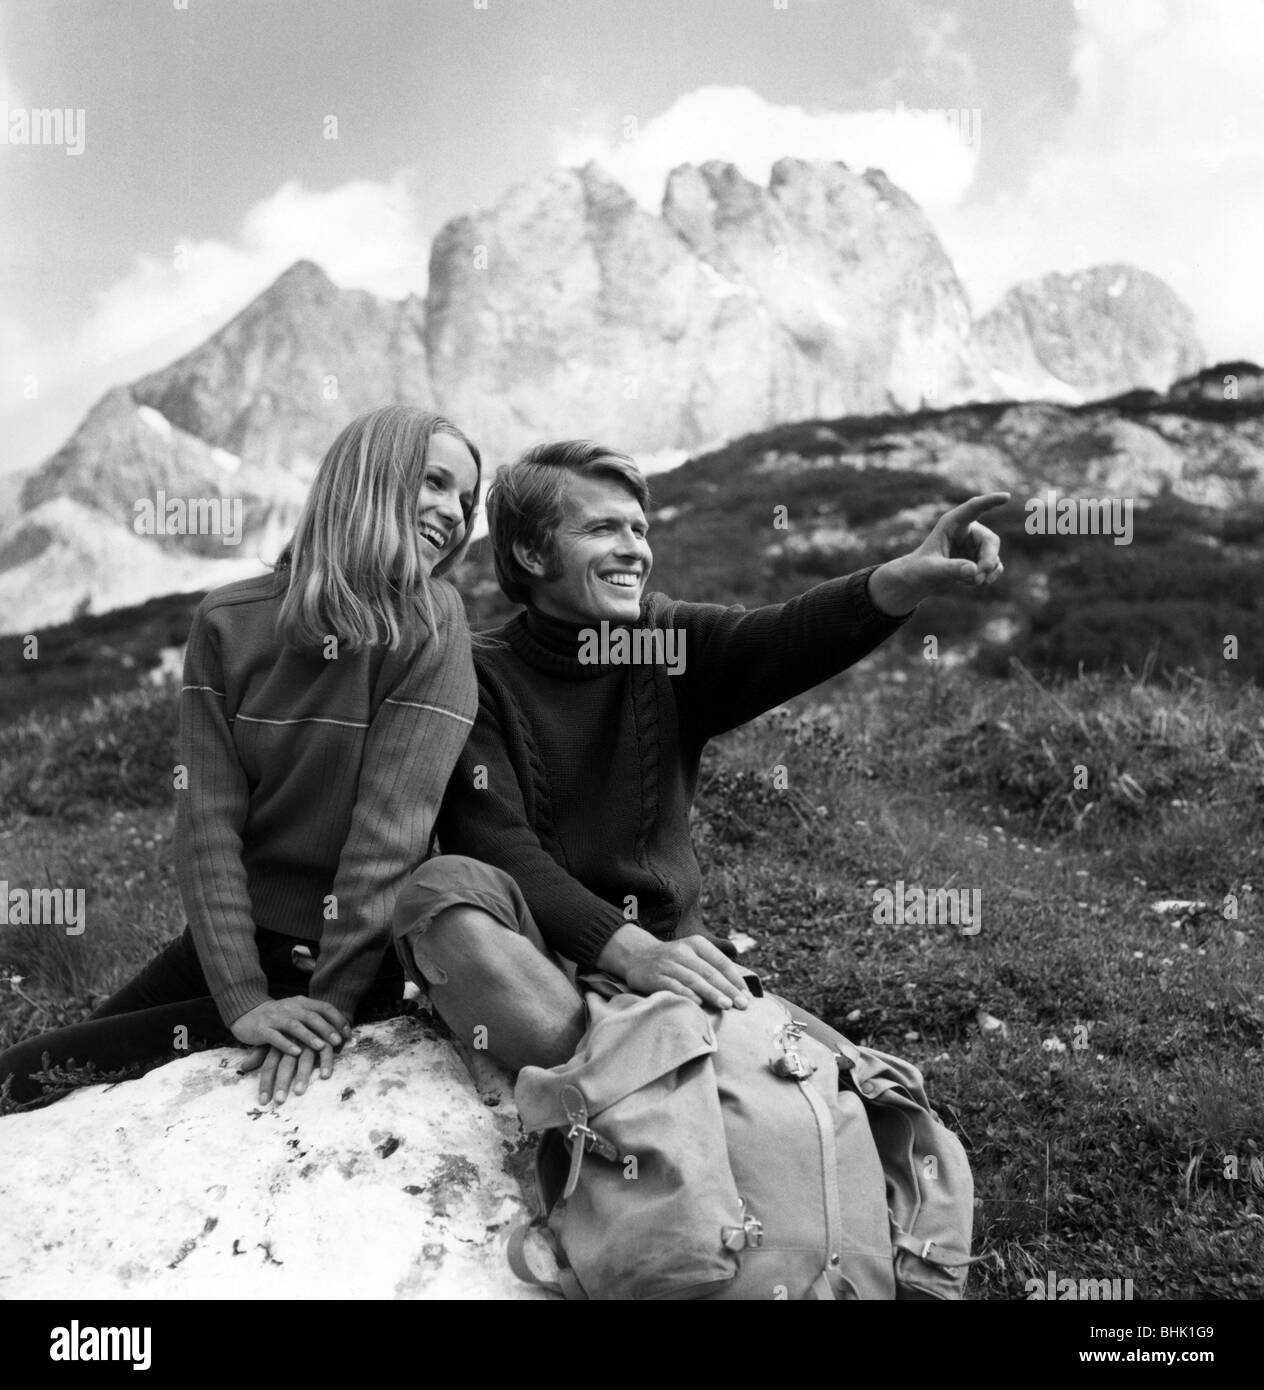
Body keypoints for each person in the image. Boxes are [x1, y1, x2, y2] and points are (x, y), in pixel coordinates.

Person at [393, 440, 1006, 1070]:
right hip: (542, 970)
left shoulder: (664, 641)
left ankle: (641, 1072)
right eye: (602, 528)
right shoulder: (477, 673)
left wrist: (904, 578)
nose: (634, 548)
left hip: (677, 964)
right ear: (530, 551)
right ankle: (625, 1075)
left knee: (870, 1096)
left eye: (639, 528)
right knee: (443, 894)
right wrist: (626, 949)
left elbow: (781, 637)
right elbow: (499, 845)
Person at [1, 406, 482, 1109]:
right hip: (224, 949)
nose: (455, 513)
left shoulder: (434, 625)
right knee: (28, 1084)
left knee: (41, 1081)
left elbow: (392, 831)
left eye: (466, 500)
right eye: (435, 484)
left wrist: (331, 1003)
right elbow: (206, 823)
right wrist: (240, 996)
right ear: (369, 477)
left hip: (334, 963)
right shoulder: (227, 620)